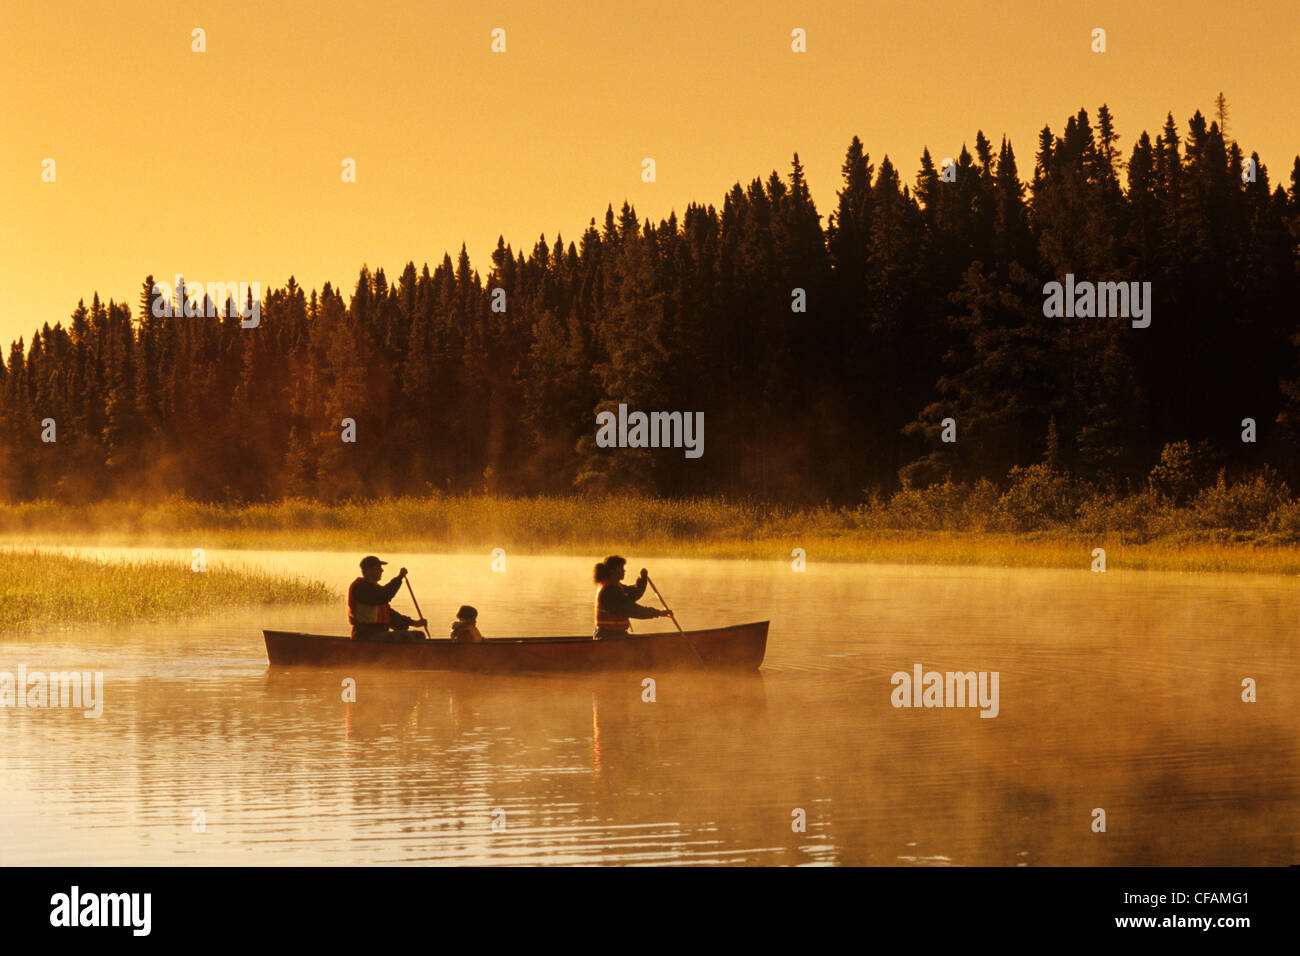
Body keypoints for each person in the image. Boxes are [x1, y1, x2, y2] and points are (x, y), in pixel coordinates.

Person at [348, 555, 427, 641]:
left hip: (379, 634)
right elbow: (384, 596)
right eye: (378, 568)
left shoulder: (374, 588)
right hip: (365, 636)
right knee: (407, 637)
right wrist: (399, 578)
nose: (382, 570)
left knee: (419, 635)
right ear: (368, 570)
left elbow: (390, 615)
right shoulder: (361, 588)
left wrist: (414, 623)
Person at [592, 555, 671, 640]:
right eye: (621, 568)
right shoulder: (609, 590)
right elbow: (631, 609)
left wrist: (642, 579)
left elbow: (634, 593)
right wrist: (658, 613)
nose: (624, 571)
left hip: (614, 635)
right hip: (608, 636)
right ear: (612, 571)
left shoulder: (615, 586)